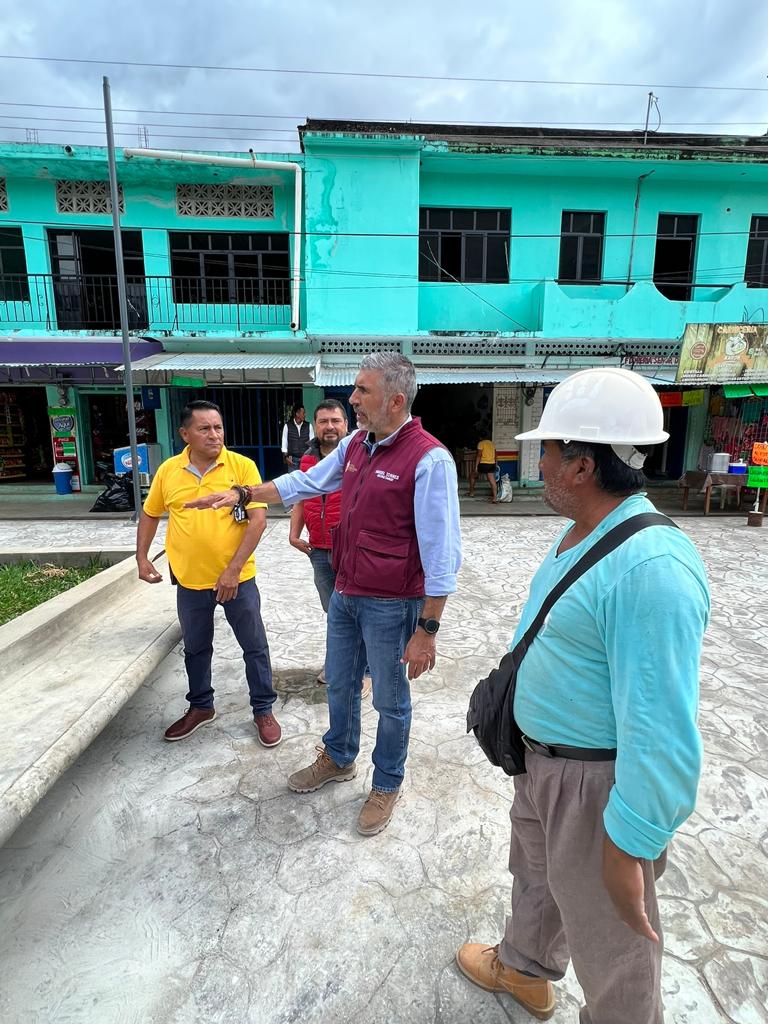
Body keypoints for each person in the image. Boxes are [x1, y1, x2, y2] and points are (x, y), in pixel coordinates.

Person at [455, 368, 710, 1023]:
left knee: (614, 944)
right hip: (543, 764)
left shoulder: (651, 569)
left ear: (582, 465)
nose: (538, 464)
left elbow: (662, 730)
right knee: (537, 879)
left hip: (594, 786)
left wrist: (630, 842)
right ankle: (526, 969)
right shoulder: (587, 528)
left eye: (547, 450)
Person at [184, 352, 462, 837]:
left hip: (393, 603)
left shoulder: (429, 460)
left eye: (362, 390)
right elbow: (307, 481)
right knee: (339, 683)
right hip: (346, 592)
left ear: (396, 400)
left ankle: (387, 782)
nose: (351, 399)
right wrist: (246, 494)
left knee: (390, 700)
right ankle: (339, 756)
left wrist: (427, 630)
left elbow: (442, 554)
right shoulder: (356, 444)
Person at [136, 400, 281, 748]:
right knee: (196, 648)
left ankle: (263, 709)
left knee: (254, 646)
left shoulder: (241, 467)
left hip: (237, 581)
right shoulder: (169, 471)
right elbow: (151, 513)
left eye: (218, 427)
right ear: (185, 434)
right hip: (190, 581)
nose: (214, 434)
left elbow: (258, 521)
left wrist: (232, 571)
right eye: (204, 428)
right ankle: (201, 706)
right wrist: (142, 557)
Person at [288, 399, 372, 698]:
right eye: (323, 421)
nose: (330, 427)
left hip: (352, 550)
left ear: (346, 425)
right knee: (334, 611)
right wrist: (294, 533)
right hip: (319, 549)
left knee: (358, 611)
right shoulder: (308, 458)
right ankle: (338, 664)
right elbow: (302, 495)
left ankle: (365, 671)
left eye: (336, 421)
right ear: (315, 426)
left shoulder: (360, 455)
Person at [281, 404, 313, 470]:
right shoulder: (287, 426)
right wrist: (286, 457)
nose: (305, 415)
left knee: (305, 476)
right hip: (292, 460)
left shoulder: (309, 426)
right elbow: (284, 443)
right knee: (293, 476)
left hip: (305, 459)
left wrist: (309, 457)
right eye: (303, 413)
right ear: (297, 414)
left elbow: (312, 444)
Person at [469, 436, 497, 502]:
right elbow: (496, 455)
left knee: (472, 476)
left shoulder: (481, 443)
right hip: (492, 464)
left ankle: (471, 493)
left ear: (481, 438)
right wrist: (495, 464)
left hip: (483, 464)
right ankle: (495, 498)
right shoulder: (492, 444)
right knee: (492, 481)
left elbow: (479, 455)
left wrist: (476, 467)